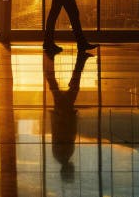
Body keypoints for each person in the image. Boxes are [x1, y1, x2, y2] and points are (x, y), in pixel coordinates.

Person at [44, 49, 93, 182]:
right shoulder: (62, 156)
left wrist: (67, 117)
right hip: (62, 113)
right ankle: (50, 59)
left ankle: (50, 59)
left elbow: (64, 134)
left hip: (63, 112)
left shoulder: (63, 155)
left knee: (70, 87)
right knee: (59, 85)